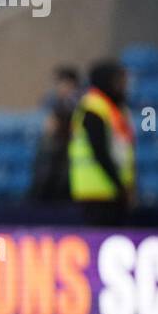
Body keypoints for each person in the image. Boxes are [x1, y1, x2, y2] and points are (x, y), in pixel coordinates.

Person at [68, 59, 135, 226]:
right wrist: (120, 186)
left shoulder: (115, 108)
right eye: (118, 81)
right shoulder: (93, 108)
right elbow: (100, 152)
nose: (123, 86)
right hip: (96, 192)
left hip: (111, 192)